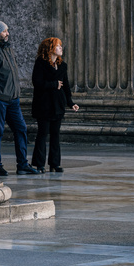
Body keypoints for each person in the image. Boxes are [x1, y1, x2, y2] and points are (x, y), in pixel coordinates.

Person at [0, 20, 37, 176]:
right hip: (1, 99)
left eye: (6, 31)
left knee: (21, 129)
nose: (7, 33)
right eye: (4, 31)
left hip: (14, 99)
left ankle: (22, 165)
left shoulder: (9, 50)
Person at [31, 36, 79, 172]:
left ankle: (54, 164)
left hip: (58, 104)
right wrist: (54, 84)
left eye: (60, 46)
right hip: (44, 105)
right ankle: (39, 164)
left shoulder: (63, 65)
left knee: (55, 135)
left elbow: (66, 86)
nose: (61, 48)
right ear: (50, 48)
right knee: (42, 134)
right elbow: (37, 83)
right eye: (58, 46)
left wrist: (71, 103)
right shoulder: (40, 63)